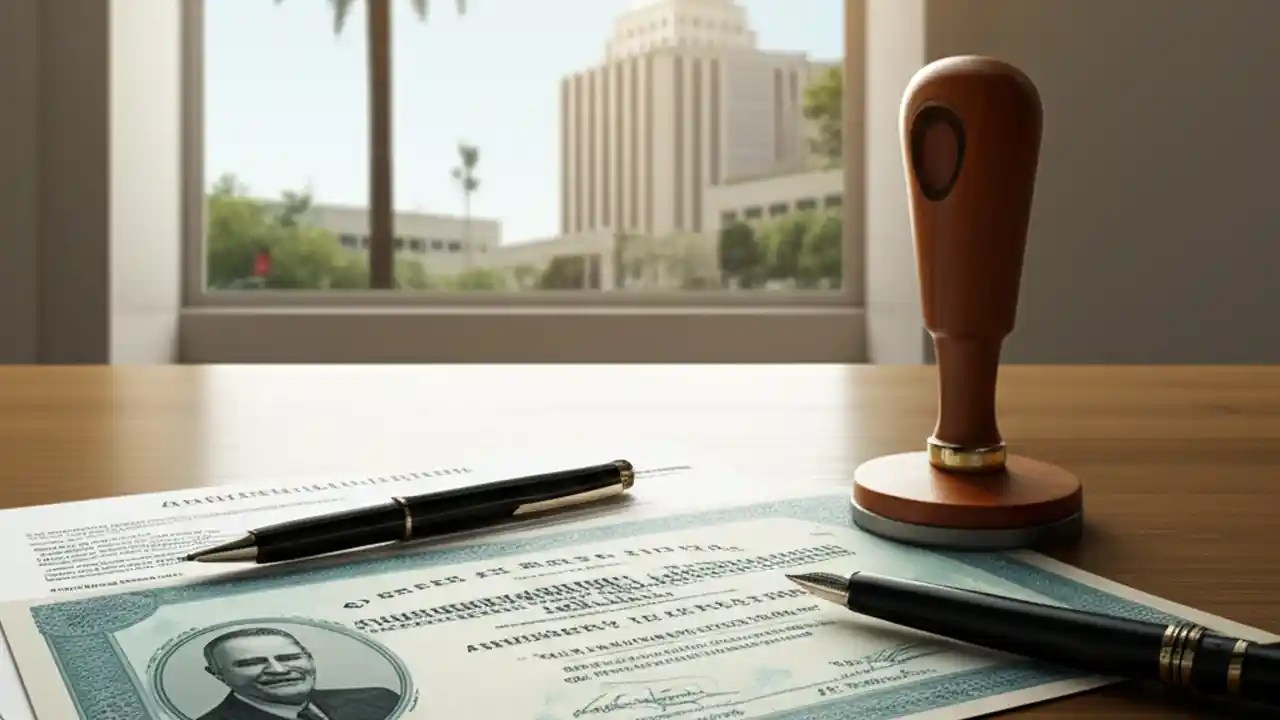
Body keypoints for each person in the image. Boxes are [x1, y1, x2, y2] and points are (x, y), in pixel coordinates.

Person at [197, 626, 400, 720]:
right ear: (217, 675)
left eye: (290, 658)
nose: (278, 670)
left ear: (309, 658)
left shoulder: (381, 699)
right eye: (251, 663)